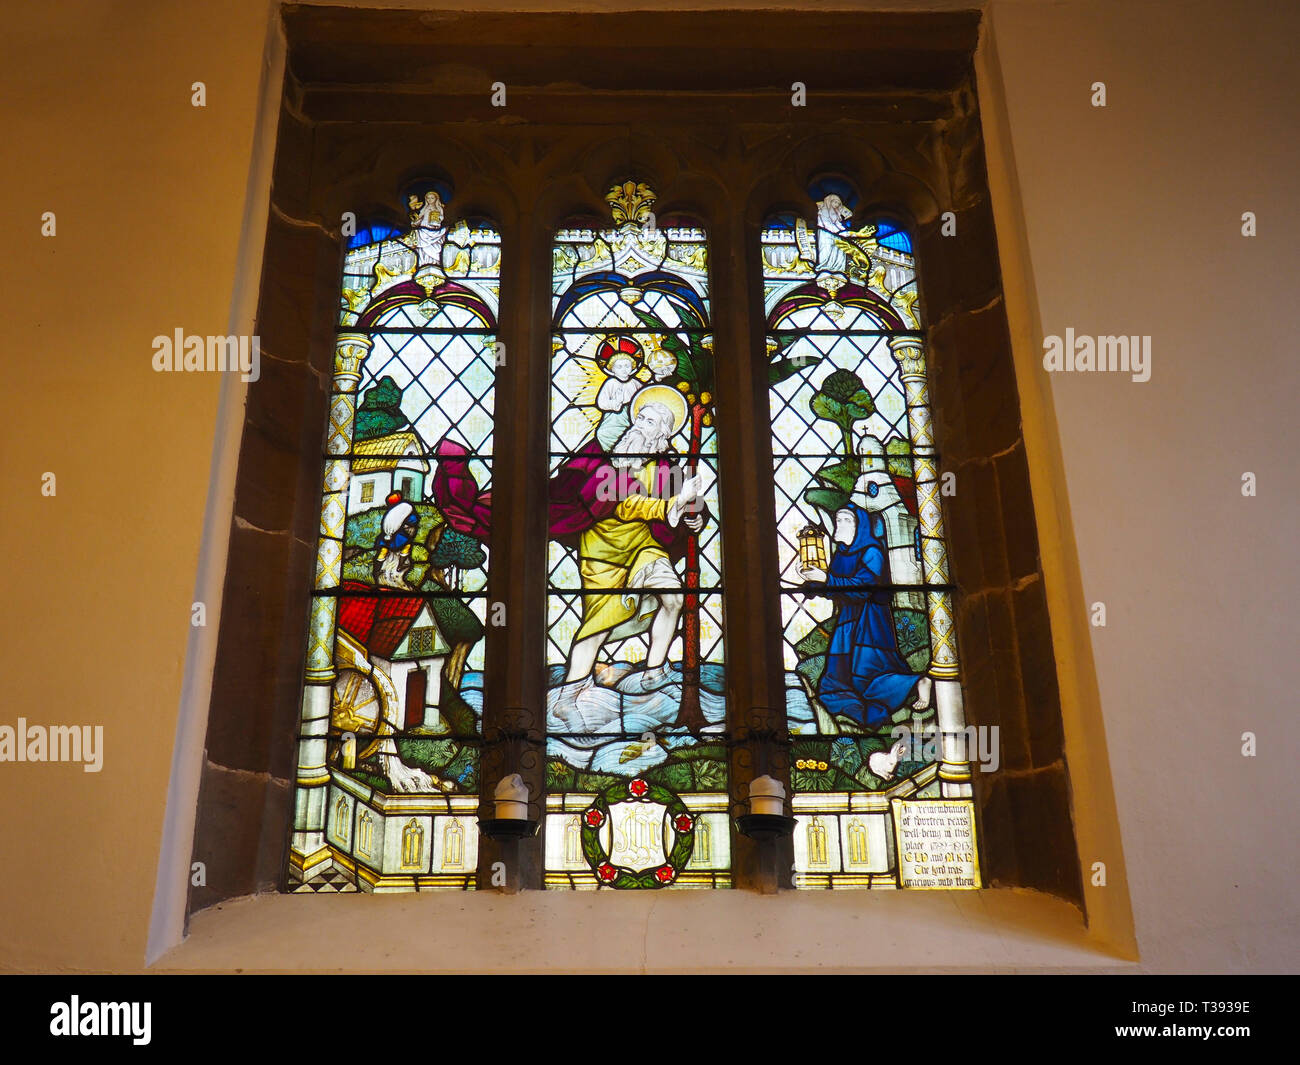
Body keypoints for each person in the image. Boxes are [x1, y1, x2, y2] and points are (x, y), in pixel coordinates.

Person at [799, 502, 930, 730]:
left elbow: (863, 587)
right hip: (847, 622)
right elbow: (837, 588)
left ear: (860, 526)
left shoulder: (872, 552)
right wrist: (812, 583)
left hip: (869, 623)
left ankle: (919, 682)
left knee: (865, 677)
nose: (840, 524)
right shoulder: (841, 553)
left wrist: (826, 579)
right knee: (834, 681)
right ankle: (854, 719)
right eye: (838, 520)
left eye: (847, 520)